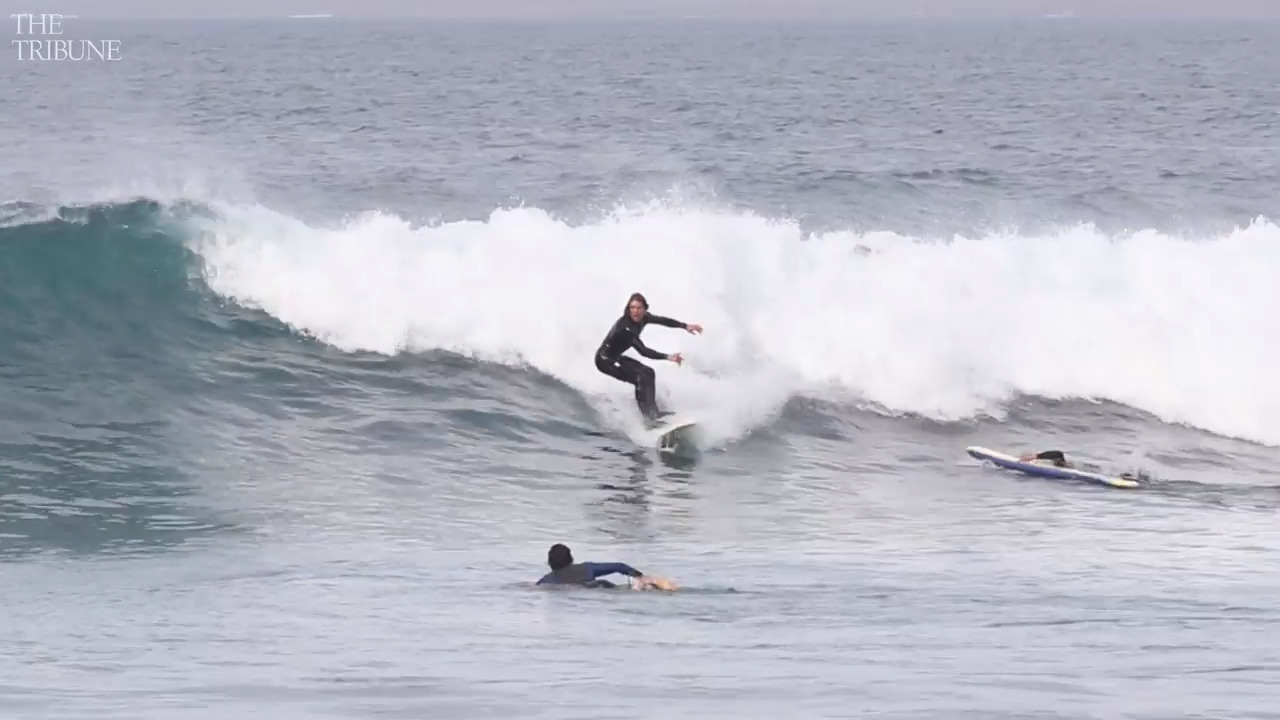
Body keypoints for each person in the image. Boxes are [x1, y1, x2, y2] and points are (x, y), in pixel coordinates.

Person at [594, 292, 702, 426]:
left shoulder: (644, 317)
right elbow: (644, 351)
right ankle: (648, 419)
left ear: (645, 309)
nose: (635, 311)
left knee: (649, 372)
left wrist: (685, 326)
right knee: (639, 378)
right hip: (604, 361)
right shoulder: (626, 328)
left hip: (616, 357)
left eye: (639, 308)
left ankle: (654, 412)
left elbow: (663, 321)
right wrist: (668, 357)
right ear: (628, 309)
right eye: (632, 308)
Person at [535, 543, 676, 591]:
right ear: (571, 559)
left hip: (586, 591)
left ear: (549, 562)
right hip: (599, 586)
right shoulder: (586, 568)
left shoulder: (547, 580)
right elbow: (619, 566)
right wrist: (640, 576)